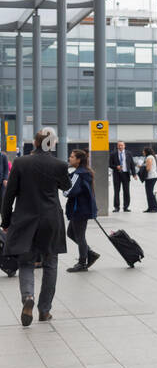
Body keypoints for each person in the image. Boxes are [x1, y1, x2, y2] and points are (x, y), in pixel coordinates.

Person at [1, 128, 71, 325]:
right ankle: (44, 310)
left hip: (25, 220)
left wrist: (5, 222)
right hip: (50, 220)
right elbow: (66, 187)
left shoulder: (21, 162)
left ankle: (28, 297)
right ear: (52, 143)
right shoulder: (59, 164)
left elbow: (9, 195)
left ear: (35, 142)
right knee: (50, 264)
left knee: (26, 263)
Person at [64, 149, 100, 272]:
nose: (70, 158)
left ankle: (82, 263)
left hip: (79, 209)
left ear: (79, 160)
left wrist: (62, 190)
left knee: (79, 236)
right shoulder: (83, 172)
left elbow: (70, 191)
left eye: (72, 157)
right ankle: (89, 253)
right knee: (71, 234)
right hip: (82, 208)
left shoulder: (79, 174)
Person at [108, 140, 134, 212]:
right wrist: (116, 167)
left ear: (124, 146)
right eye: (119, 145)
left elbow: (132, 164)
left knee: (126, 191)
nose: (120, 147)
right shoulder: (113, 154)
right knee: (116, 191)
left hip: (126, 174)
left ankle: (126, 207)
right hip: (117, 174)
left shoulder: (128, 153)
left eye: (121, 145)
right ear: (117, 146)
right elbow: (110, 164)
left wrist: (134, 174)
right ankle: (116, 207)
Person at [142, 147, 157, 211]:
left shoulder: (149, 157)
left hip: (151, 177)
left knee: (150, 193)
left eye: (143, 151)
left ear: (146, 152)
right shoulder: (151, 157)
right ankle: (150, 208)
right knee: (149, 193)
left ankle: (155, 208)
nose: (143, 152)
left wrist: (142, 167)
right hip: (151, 177)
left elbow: (148, 168)